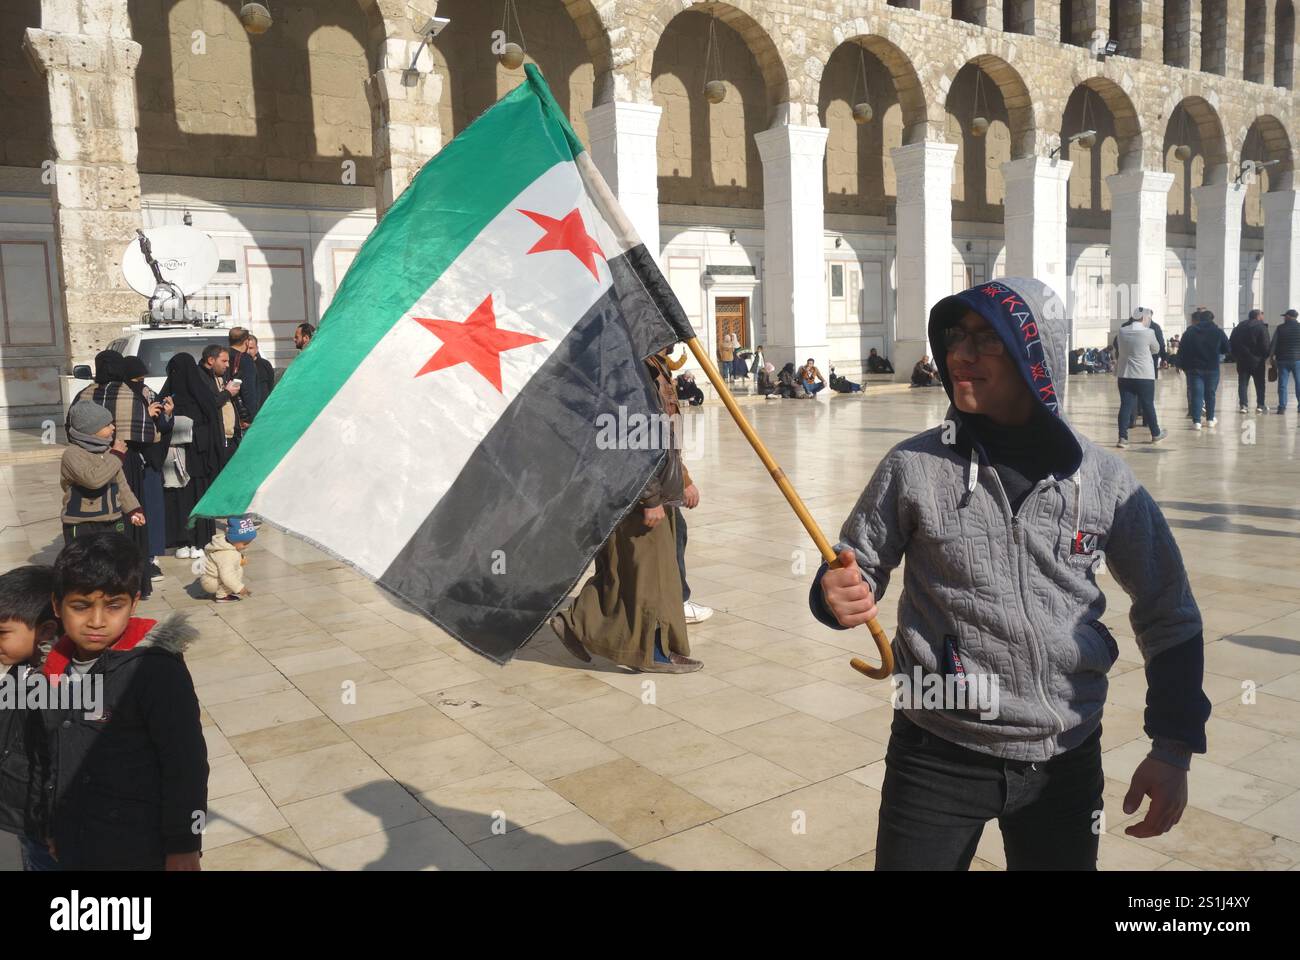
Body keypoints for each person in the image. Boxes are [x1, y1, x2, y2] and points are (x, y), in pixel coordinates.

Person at [811, 277, 1210, 870]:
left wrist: (1173, 748)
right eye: (954, 337)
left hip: (1065, 760)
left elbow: (1168, 610)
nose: (959, 355)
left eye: (985, 340)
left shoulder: (1104, 482)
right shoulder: (914, 466)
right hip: (936, 754)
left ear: (1036, 355)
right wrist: (835, 594)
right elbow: (855, 564)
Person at [39, 533, 207, 870]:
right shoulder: (53, 668)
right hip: (79, 839)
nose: (97, 621)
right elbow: (55, 757)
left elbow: (187, 766)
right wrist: (53, 824)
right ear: (57, 606)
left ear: (134, 603)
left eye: (114, 605)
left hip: (140, 847)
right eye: (80, 606)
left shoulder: (154, 671)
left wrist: (186, 845)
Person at [550, 351, 702, 673]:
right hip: (636, 492)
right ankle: (654, 653)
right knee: (649, 577)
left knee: (626, 574)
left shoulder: (650, 361)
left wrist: (683, 479)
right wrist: (649, 498)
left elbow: (663, 433)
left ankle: (578, 623)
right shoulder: (626, 362)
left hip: (656, 487)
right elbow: (627, 436)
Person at [67, 351, 158, 594]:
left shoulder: (83, 394)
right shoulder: (130, 393)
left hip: (92, 462)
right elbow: (148, 434)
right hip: (124, 460)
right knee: (127, 526)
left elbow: (70, 427)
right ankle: (133, 583)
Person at [0, 565, 59, 870]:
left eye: (2, 633)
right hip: (28, 824)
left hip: (53, 833)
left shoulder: (61, 689)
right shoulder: (20, 670)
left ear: (45, 632)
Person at [160, 352, 221, 558]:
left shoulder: (201, 397)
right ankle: (182, 541)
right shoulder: (168, 396)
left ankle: (200, 541)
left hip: (198, 461)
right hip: (176, 462)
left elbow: (210, 427)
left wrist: (186, 426)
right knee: (177, 500)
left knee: (196, 498)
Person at [60, 402, 146, 546]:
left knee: (113, 562)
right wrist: (116, 455)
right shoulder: (72, 454)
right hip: (82, 523)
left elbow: (121, 484)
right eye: (107, 425)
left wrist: (133, 509)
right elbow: (93, 480)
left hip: (112, 520)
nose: (113, 428)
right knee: (83, 563)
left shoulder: (107, 451)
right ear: (91, 430)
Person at [122, 355, 174, 583]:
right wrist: (144, 416)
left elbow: (161, 425)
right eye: (135, 379)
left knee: (152, 510)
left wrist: (167, 414)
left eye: (142, 378)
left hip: (150, 462)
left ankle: (151, 558)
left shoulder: (148, 393)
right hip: (127, 461)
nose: (140, 383)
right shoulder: (122, 396)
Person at [1113, 309, 1168, 447]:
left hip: (1125, 374)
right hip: (1144, 375)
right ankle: (1155, 433)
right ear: (1143, 318)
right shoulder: (1149, 332)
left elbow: (1118, 346)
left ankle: (1122, 438)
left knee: (1125, 405)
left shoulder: (1122, 331)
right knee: (1148, 404)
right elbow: (1156, 349)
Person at [1176, 307, 1230, 428]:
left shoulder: (1189, 331)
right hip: (1212, 367)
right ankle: (1210, 419)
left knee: (1196, 394)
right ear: (1212, 319)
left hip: (1194, 367)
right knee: (1210, 393)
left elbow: (1182, 349)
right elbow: (1227, 348)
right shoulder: (1218, 331)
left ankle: (1197, 421)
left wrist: (1179, 364)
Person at [201, 344, 243, 465]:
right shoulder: (202, 378)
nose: (227, 365)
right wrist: (227, 393)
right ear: (211, 360)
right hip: (218, 438)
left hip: (231, 436)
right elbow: (210, 404)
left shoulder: (220, 376)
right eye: (224, 361)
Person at [200, 517, 256, 602]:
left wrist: (241, 558)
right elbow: (227, 576)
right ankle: (222, 596)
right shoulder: (227, 554)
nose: (246, 546)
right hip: (211, 582)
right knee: (233, 573)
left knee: (236, 569)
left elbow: (234, 555)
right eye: (244, 543)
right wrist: (240, 588)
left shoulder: (226, 543)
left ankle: (229, 589)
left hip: (211, 578)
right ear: (234, 540)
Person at [1230, 308, 1271, 414]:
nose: (1263, 316)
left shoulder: (1239, 327)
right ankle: (1260, 405)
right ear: (1258, 316)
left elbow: (1232, 342)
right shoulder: (1261, 327)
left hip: (1242, 359)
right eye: (1262, 314)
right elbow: (1266, 344)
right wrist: (1265, 356)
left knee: (1243, 383)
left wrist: (1235, 356)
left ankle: (1243, 405)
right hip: (1257, 360)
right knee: (1260, 383)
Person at [227, 327, 263, 423]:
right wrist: (252, 417)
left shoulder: (223, 356)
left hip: (229, 412)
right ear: (246, 342)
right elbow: (249, 390)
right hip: (244, 417)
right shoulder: (245, 359)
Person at [1270, 307, 1300, 413]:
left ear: (1288, 316)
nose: (1283, 318)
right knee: (1299, 383)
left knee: (1282, 384)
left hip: (1282, 360)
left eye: (1285, 316)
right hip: (1297, 360)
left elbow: (1273, 344)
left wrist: (1271, 357)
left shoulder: (1280, 328)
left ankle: (1282, 407)